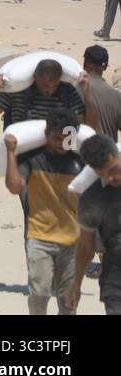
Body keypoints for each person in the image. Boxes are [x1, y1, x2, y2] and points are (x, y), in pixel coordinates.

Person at [3, 110, 83, 315]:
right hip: (39, 237)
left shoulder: (79, 162)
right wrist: (11, 153)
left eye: (67, 140)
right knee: (39, 294)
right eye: (57, 138)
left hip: (72, 240)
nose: (61, 144)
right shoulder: (31, 159)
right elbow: (14, 187)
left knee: (68, 300)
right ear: (47, 134)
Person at [67, 135, 121, 315]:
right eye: (104, 173)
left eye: (114, 168)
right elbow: (85, 247)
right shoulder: (92, 199)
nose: (112, 177)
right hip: (115, 280)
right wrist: (76, 284)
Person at [0, 57, 92, 129]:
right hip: (23, 153)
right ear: (35, 77)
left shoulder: (67, 92)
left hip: (60, 152)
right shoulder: (16, 90)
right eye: (45, 85)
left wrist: (86, 93)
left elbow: (86, 126)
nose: (50, 90)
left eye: (55, 86)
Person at [82, 45, 121, 141]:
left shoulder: (72, 89)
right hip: (108, 153)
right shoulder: (116, 96)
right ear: (105, 67)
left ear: (85, 64)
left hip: (81, 153)